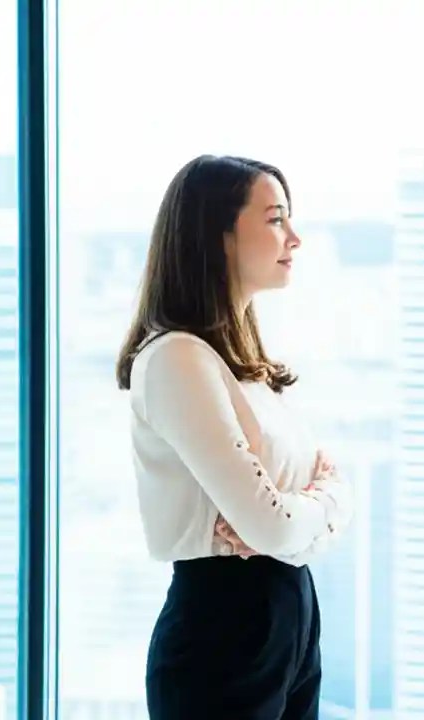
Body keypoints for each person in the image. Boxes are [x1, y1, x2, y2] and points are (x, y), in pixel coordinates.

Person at [114, 154, 354, 719]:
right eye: (275, 219)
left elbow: (314, 503)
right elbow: (273, 525)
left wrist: (314, 507)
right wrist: (316, 508)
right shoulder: (176, 358)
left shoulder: (242, 365)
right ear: (218, 236)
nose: (294, 237)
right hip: (225, 629)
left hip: (288, 613)